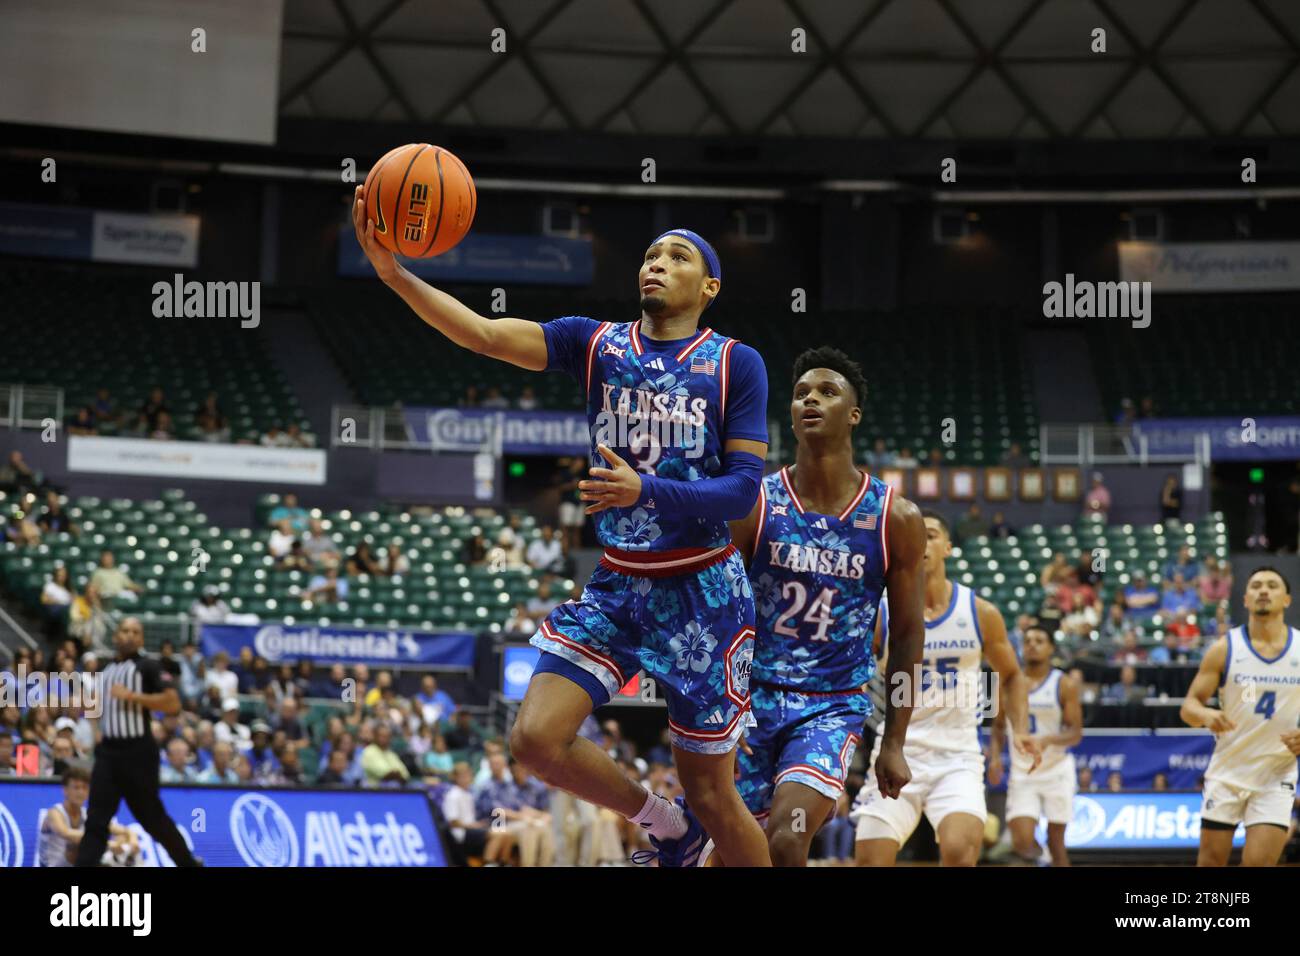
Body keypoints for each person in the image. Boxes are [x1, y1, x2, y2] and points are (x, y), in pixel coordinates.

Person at [353, 192, 774, 866]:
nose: (657, 264)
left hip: (705, 592)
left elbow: (743, 490)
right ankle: (668, 827)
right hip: (618, 583)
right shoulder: (594, 341)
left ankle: (692, 821)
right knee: (535, 741)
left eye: (678, 255)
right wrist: (396, 274)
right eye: (651, 254)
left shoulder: (734, 363)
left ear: (710, 285)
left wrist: (648, 490)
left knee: (717, 798)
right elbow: (485, 335)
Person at [711, 348, 925, 867]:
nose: (810, 398)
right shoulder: (754, 502)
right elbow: (715, 611)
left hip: (831, 705)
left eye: (827, 392)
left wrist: (894, 740)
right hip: (749, 698)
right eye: (801, 392)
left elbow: (909, 636)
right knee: (731, 852)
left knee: (788, 837)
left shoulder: (894, 516)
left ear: (853, 414)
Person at [853, 511, 1039, 866]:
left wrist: (1020, 730)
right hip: (896, 752)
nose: (923, 541)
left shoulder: (980, 612)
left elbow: (1012, 676)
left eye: (933, 534)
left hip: (957, 757)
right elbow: (853, 677)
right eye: (916, 535)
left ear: (949, 548)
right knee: (869, 861)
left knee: (958, 850)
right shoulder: (882, 614)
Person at [1180, 566, 1300, 867]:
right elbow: (1188, 708)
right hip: (1228, 771)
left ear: (1287, 599)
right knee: (1210, 863)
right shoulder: (1224, 649)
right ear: (1244, 599)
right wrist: (1206, 714)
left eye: (1272, 586)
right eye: (1256, 585)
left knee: (1260, 864)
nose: (1263, 591)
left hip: (1276, 773)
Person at [74, 617, 201, 866]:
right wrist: (95, 729)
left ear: (141, 639)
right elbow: (96, 706)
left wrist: (132, 696)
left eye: (135, 632)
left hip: (138, 752)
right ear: (116, 636)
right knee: (96, 820)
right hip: (108, 753)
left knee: (152, 819)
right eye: (125, 630)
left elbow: (173, 703)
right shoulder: (106, 670)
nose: (130, 635)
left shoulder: (148, 667)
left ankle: (188, 863)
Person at [989, 623, 1083, 866]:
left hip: (1056, 769)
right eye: (1028, 640)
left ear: (1051, 648)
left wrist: (1047, 740)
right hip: (1023, 772)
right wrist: (996, 757)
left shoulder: (1064, 684)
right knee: (1021, 841)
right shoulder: (1006, 683)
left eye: (1039, 640)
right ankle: (1043, 859)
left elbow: (1075, 733)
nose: (1032, 645)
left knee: (1056, 841)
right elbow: (998, 726)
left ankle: (1050, 855)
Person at [39, 766, 139, 867]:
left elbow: (124, 830)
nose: (81, 792)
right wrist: (108, 845)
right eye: (76, 787)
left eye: (84, 788)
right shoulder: (54, 813)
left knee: (122, 837)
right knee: (77, 844)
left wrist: (132, 839)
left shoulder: (87, 814)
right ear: (65, 790)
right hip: (53, 865)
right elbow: (66, 833)